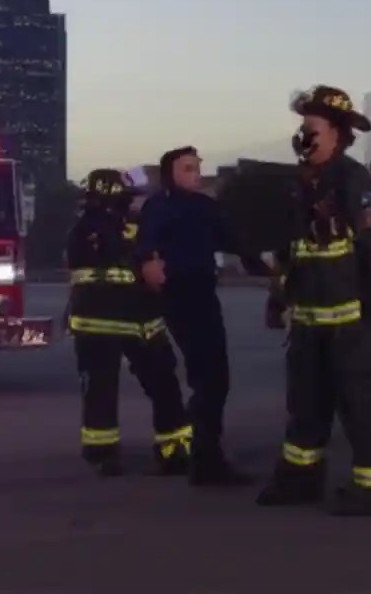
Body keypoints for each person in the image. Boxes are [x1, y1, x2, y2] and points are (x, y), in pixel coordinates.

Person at [255, 85, 371, 516]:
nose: (304, 136)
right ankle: (299, 481)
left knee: (364, 404)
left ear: (337, 135)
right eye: (302, 128)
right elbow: (289, 249)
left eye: (312, 129)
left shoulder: (353, 180)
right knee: (305, 405)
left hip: (353, 323)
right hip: (308, 322)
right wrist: (277, 295)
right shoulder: (300, 185)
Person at [136, 146, 254, 486]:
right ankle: (205, 459)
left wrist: (263, 260)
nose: (195, 174)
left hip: (203, 293)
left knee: (213, 376)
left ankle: (203, 451)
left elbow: (233, 239)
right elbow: (146, 241)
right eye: (187, 168)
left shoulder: (205, 206)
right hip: (180, 295)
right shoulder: (159, 206)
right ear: (170, 173)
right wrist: (148, 261)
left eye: (197, 167)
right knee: (208, 375)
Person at [66, 169, 193, 477]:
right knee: (162, 385)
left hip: (104, 324)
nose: (131, 202)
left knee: (101, 392)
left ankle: (103, 454)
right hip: (136, 321)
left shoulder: (82, 230)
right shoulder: (125, 230)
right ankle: (172, 450)